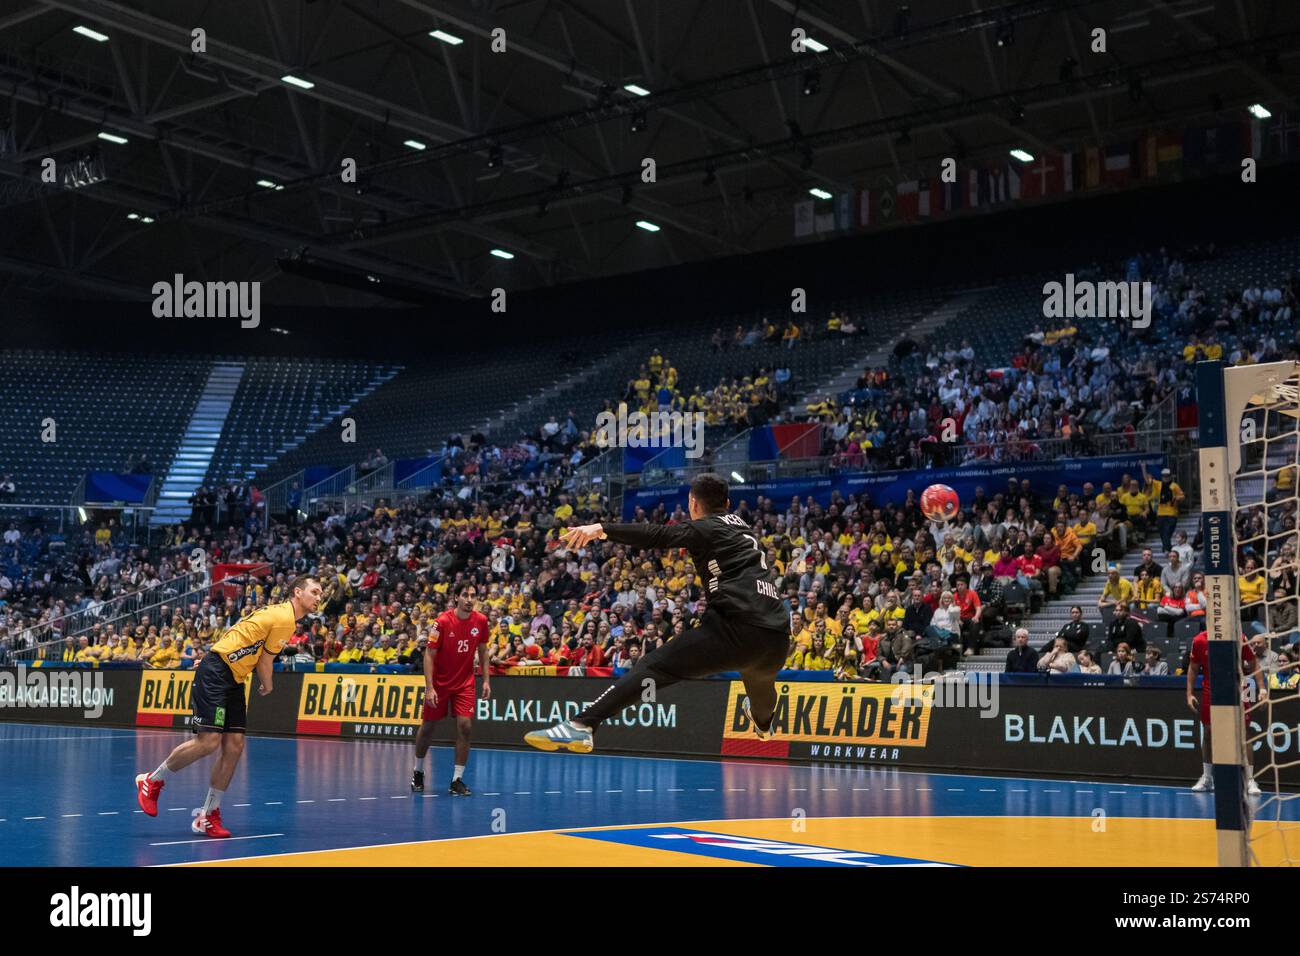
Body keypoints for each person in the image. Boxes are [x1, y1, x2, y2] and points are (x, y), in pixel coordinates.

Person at [524, 474, 790, 752]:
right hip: (777, 638)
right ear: (727, 503)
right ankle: (763, 724)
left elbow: (658, 535)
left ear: (693, 504)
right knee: (759, 677)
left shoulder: (705, 527)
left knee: (653, 666)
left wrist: (601, 529)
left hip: (736, 630)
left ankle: (582, 725)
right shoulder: (743, 528)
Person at [134, 575, 323, 838]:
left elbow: (239, 633)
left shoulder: (278, 616)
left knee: (234, 746)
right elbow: (265, 664)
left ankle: (208, 815)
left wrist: (216, 653)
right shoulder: (283, 618)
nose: (319, 597)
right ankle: (152, 781)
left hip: (233, 676)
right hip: (218, 674)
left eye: (320, 593)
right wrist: (266, 686)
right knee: (209, 741)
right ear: (298, 593)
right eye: (314, 591)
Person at [411, 583, 491, 796]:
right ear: (456, 598)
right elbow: (429, 654)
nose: (469, 599)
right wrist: (429, 688)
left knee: (465, 726)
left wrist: (486, 680)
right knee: (428, 727)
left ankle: (457, 780)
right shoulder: (441, 622)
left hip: (465, 683)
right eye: (465, 595)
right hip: (439, 683)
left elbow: (483, 651)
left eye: (473, 595)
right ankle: (418, 771)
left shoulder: (481, 621)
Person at [1186, 630, 1264, 795]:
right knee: (1208, 732)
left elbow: (1254, 662)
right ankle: (1208, 778)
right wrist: (1189, 694)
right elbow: (1193, 668)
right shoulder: (1199, 640)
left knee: (1244, 733)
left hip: (1238, 686)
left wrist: (1262, 688)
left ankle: (1250, 780)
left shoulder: (1239, 636)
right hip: (1211, 688)